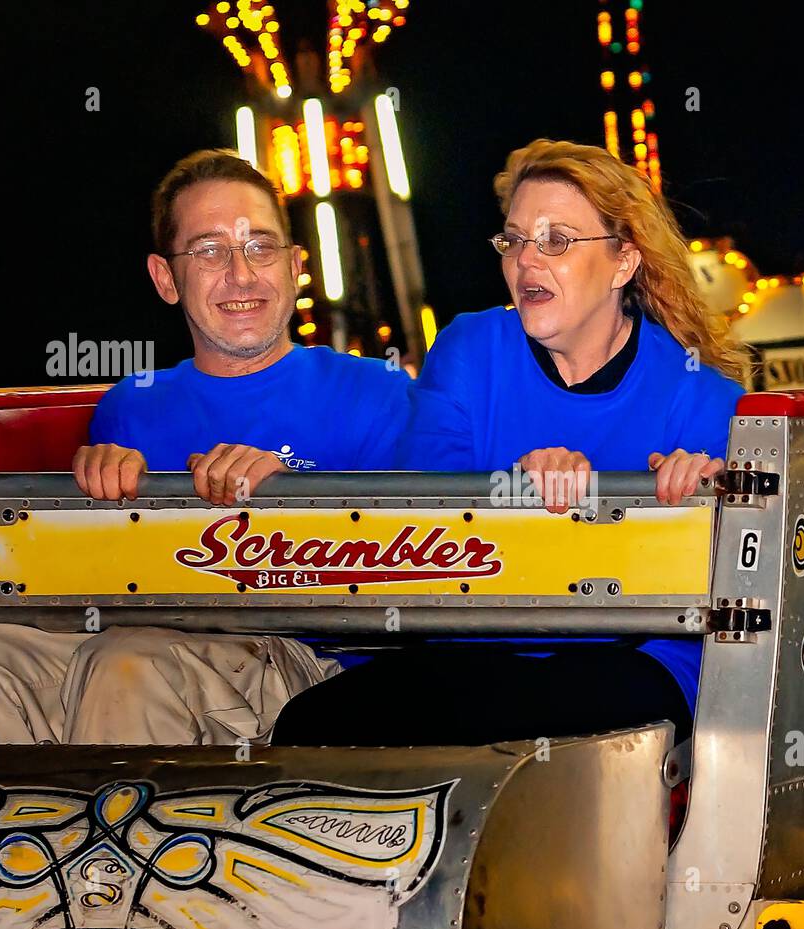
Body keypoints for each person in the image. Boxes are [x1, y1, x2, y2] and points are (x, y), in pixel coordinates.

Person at [0, 149, 411, 746]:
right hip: (137, 640)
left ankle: (131, 835)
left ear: (297, 265)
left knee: (130, 665)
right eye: (209, 251)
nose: (241, 274)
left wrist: (296, 502)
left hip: (306, 659)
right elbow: (97, 588)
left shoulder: (379, 394)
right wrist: (90, 491)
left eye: (260, 247)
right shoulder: (131, 406)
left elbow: (420, 582)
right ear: (166, 278)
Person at [273, 138, 748, 747]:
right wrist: (515, 489)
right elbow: (421, 516)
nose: (527, 261)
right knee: (311, 724)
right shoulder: (471, 349)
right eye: (515, 239)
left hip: (633, 653)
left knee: (552, 716)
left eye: (555, 241)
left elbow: (733, 569)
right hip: (476, 642)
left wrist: (693, 499)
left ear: (624, 263)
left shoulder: (700, 395)